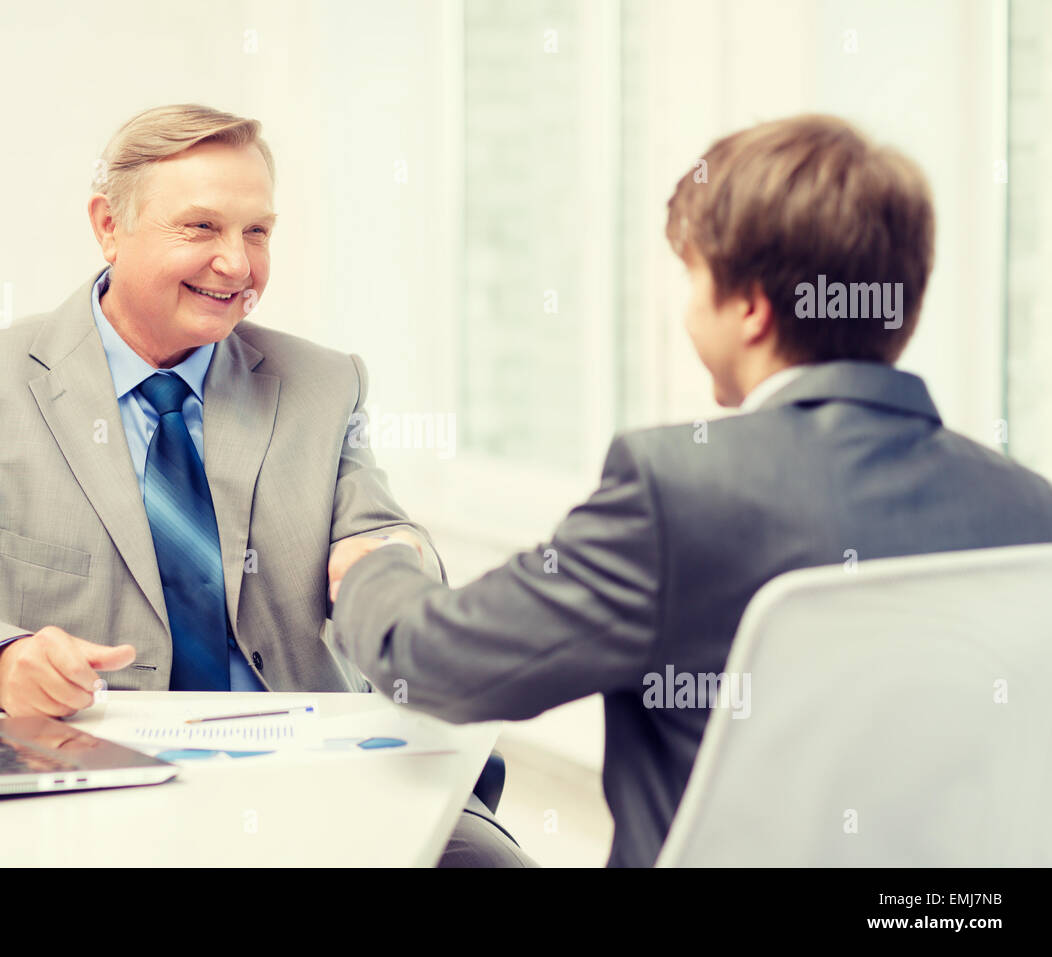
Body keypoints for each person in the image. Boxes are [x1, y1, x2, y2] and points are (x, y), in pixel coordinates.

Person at [327, 113, 1052, 867]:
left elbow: (437, 665)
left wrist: (375, 568)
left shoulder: (678, 489)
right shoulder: (1031, 508)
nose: (686, 308)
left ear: (749, 308)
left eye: (693, 277)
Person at [0, 103, 531, 866]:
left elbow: (377, 533)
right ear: (109, 225)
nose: (237, 265)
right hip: (85, 792)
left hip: (317, 781)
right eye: (202, 228)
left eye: (258, 231)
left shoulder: (322, 384)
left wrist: (391, 555)